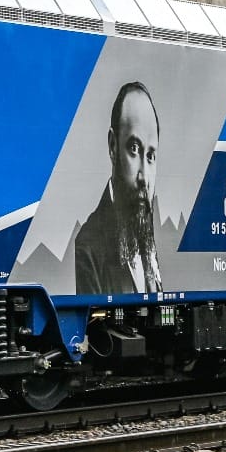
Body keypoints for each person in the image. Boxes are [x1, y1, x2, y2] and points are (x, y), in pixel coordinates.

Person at [75, 82, 162, 294]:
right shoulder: (89, 247)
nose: (144, 177)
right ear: (113, 146)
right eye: (134, 149)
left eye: (150, 156)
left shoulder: (144, 236)